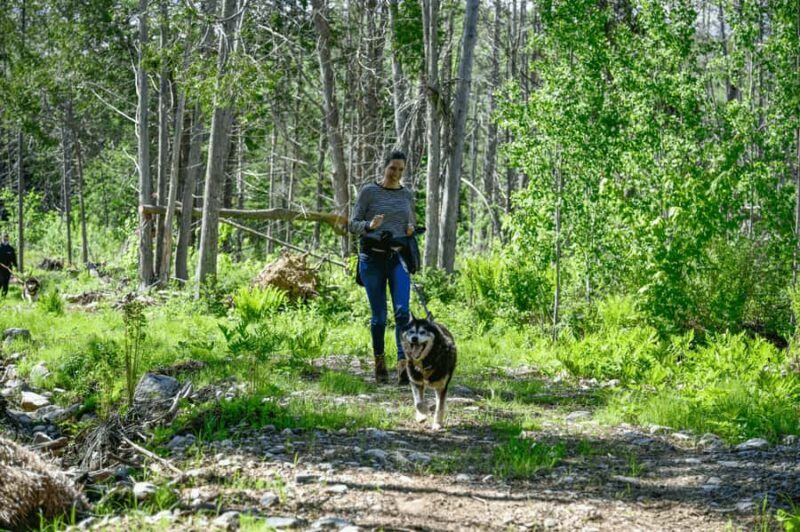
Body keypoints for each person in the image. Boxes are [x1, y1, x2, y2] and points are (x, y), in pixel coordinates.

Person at [349, 151, 416, 384]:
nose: (396, 173)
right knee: (379, 317)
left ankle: (403, 365)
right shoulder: (369, 192)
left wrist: (410, 229)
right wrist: (369, 225)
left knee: (402, 312)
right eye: (392, 168)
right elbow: (352, 224)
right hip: (372, 259)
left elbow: (411, 223)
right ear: (384, 167)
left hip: (398, 258)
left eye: (400, 170)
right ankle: (379, 364)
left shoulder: (407, 195)